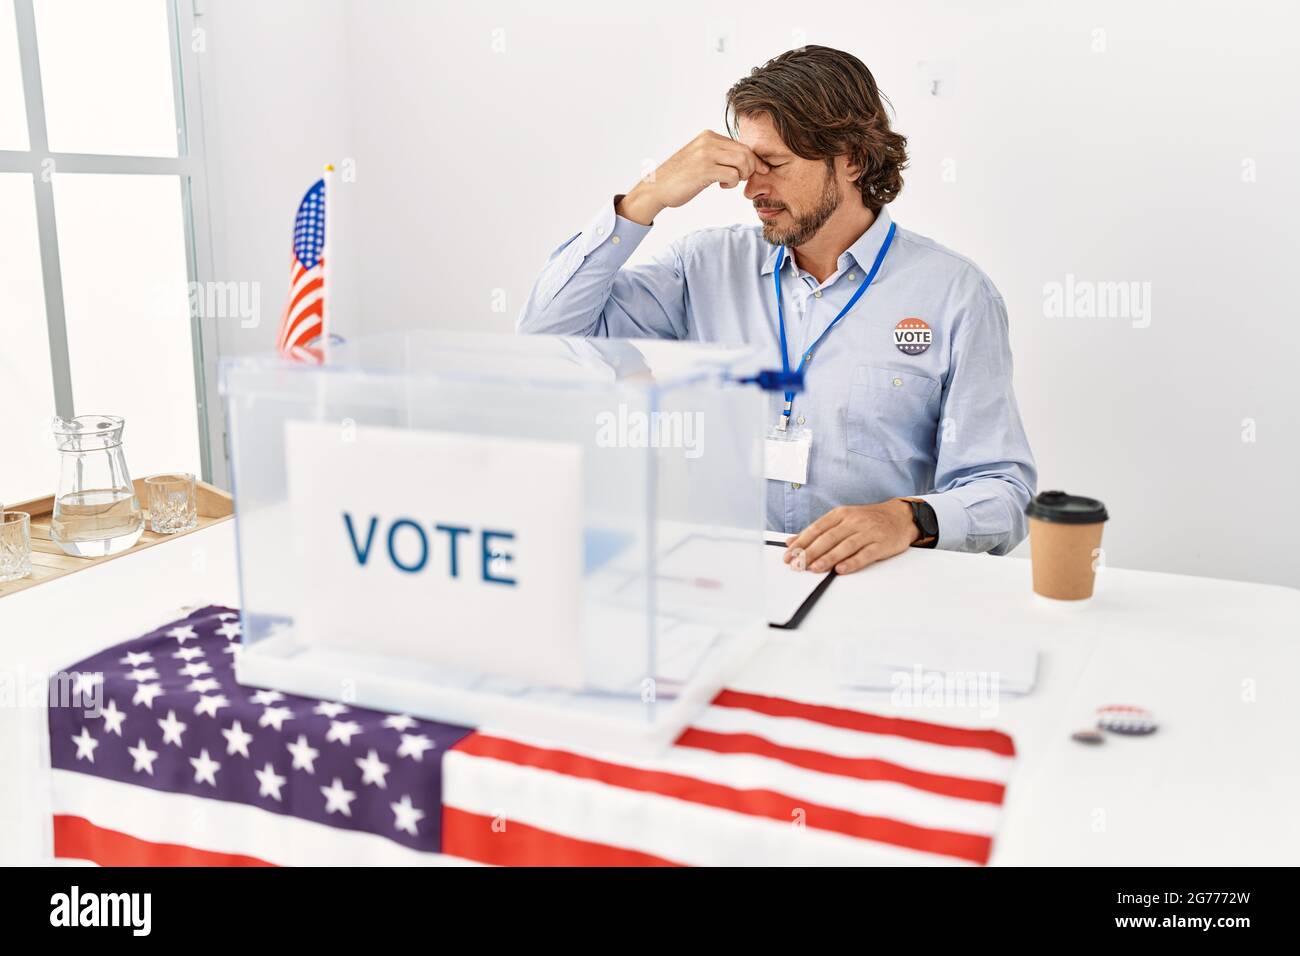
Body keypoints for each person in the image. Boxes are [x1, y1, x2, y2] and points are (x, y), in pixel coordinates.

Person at [518, 46, 1036, 575]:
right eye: (746, 165)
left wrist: (907, 518)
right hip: (718, 583)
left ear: (853, 160)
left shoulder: (955, 293)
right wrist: (646, 198)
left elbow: (1003, 491)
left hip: (870, 590)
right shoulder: (703, 266)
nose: (751, 189)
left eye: (774, 165)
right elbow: (547, 339)